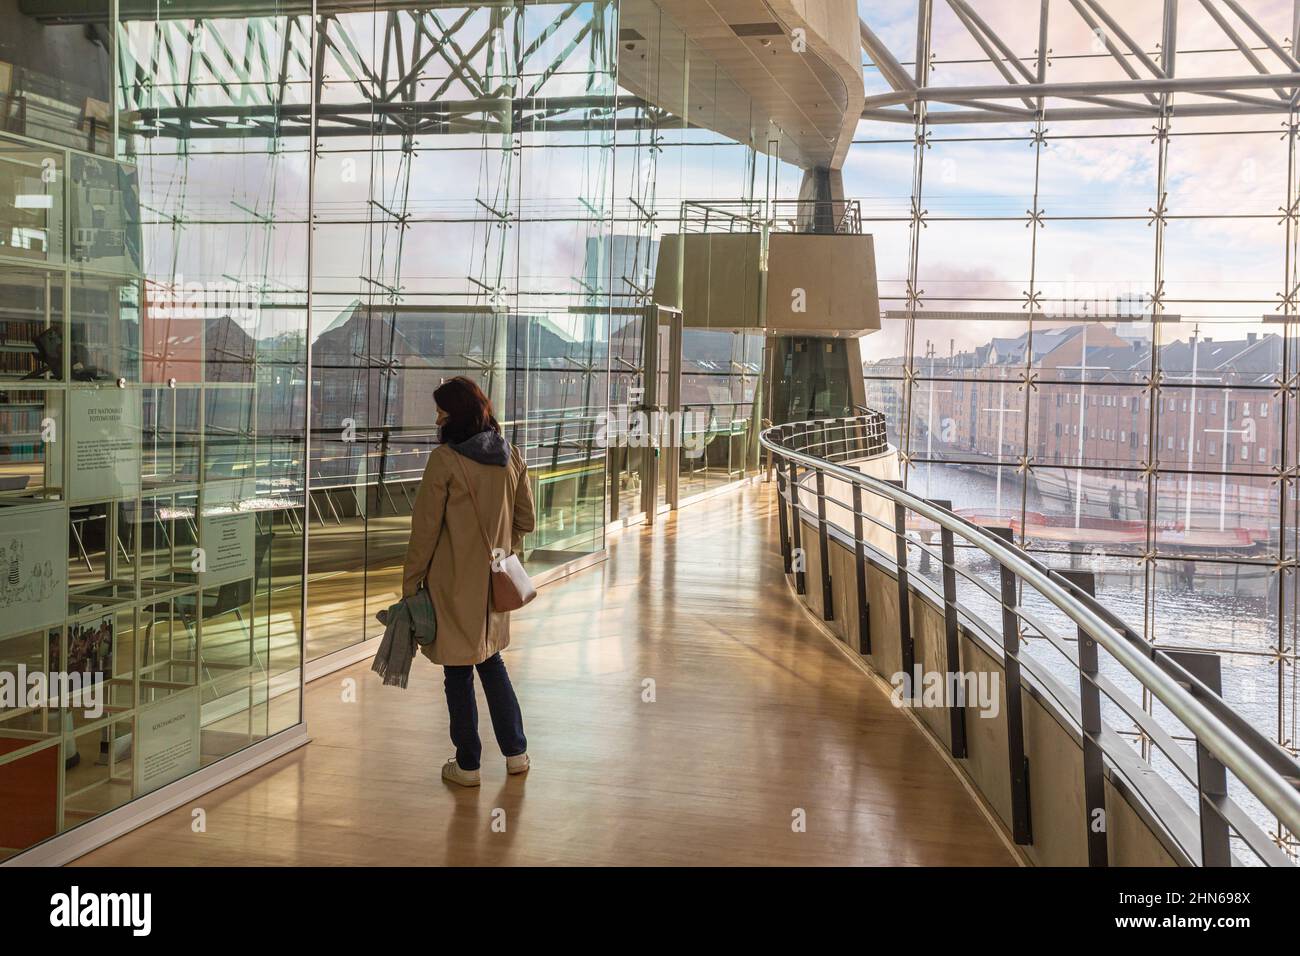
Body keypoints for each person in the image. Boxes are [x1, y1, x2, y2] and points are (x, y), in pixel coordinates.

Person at [402, 376, 536, 787]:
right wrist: (500, 549)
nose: (437, 417)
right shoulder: (510, 455)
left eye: (441, 409)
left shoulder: (445, 460)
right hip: (494, 583)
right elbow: (526, 520)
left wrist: (411, 583)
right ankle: (517, 753)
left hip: (452, 584)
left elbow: (425, 530)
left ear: (454, 414)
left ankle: (468, 765)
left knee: (458, 671)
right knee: (491, 662)